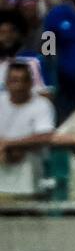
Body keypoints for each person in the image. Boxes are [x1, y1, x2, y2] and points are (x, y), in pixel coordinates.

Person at [0, 63, 56, 199]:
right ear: (6, 82)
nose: (18, 85)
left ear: (31, 83)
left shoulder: (42, 104)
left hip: (30, 172)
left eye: (23, 80)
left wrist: (9, 144)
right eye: (14, 80)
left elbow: (46, 136)